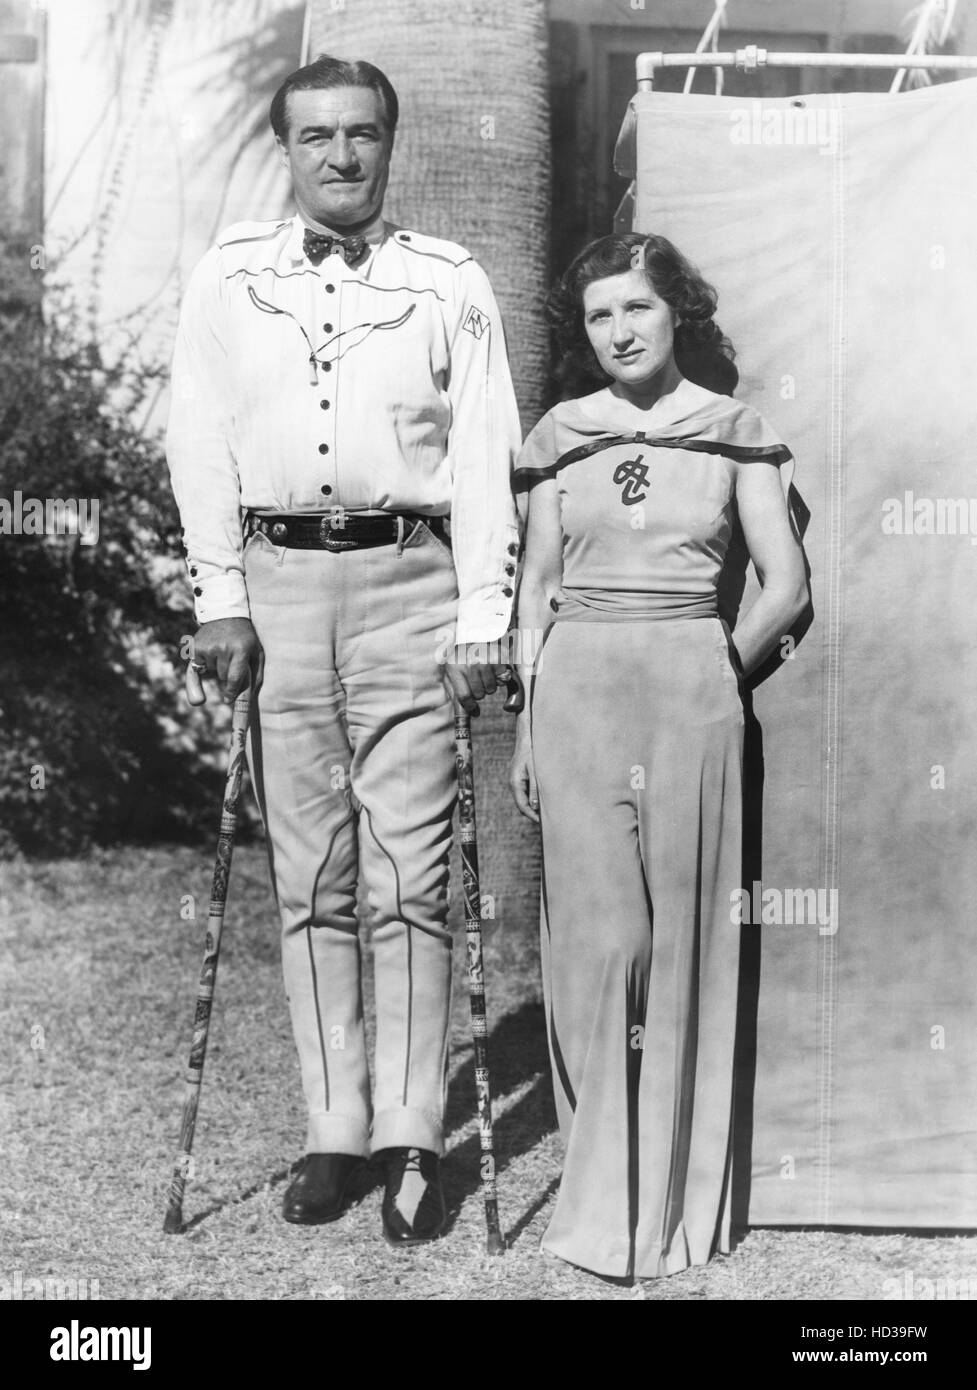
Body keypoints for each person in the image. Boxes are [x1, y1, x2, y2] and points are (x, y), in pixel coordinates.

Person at [166, 54, 521, 1244]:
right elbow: (198, 439)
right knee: (307, 880)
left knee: (409, 881)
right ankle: (333, 1127)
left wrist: (482, 621)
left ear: (389, 140)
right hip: (275, 596)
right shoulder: (227, 279)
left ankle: (413, 1129)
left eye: (361, 132)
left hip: (410, 590)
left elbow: (482, 453)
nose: (341, 155)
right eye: (315, 135)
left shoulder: (447, 282)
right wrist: (219, 596)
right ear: (287, 147)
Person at [508, 232, 807, 1280]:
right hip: (577, 693)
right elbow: (534, 589)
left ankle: (674, 1205)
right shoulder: (558, 435)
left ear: (674, 311)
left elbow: (785, 585)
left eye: (635, 308)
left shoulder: (734, 433)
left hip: (691, 692)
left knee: (684, 946)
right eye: (597, 315)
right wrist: (524, 714)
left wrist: (717, 662)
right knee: (602, 949)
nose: (617, 331)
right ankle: (599, 1200)